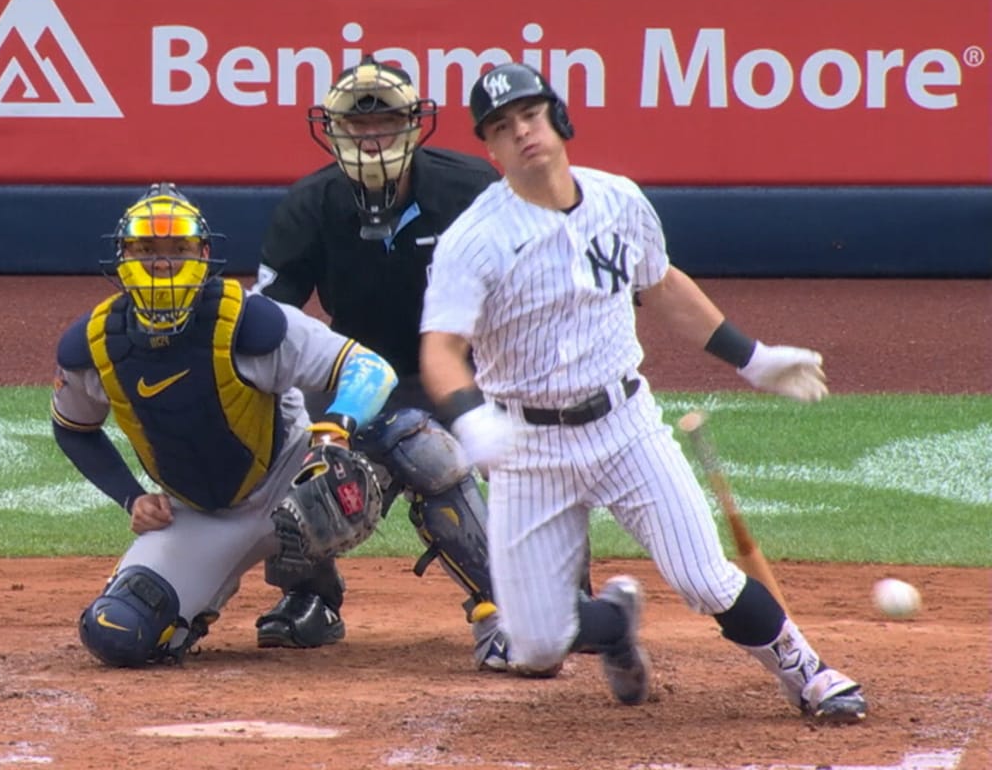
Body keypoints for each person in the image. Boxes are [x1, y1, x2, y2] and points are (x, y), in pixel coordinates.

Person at [419, 61, 868, 722]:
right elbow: (441, 350)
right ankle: (614, 626)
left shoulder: (619, 201)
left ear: (557, 118)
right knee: (535, 643)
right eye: (502, 127)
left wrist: (752, 358)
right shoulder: (475, 241)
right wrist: (469, 419)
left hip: (624, 425)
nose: (522, 133)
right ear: (491, 148)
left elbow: (660, 285)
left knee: (703, 577)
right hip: (527, 447)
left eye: (530, 116)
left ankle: (806, 670)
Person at [251, 54, 537, 672]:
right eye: (357, 126)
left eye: (387, 122)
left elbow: (534, 282)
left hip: (469, 371)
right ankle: (311, 598)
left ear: (416, 125)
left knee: (497, 456)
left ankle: (536, 595)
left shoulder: (473, 191)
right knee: (297, 461)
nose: (372, 137)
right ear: (331, 130)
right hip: (358, 379)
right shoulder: (309, 206)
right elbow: (269, 324)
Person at [52, 183, 398, 667]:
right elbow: (73, 428)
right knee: (116, 633)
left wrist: (334, 430)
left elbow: (370, 370)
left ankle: (495, 612)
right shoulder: (92, 345)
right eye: (146, 250)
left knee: (413, 440)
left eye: (178, 249)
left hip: (290, 482)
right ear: (122, 257)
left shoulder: (252, 321)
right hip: (198, 512)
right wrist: (131, 497)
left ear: (204, 254)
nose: (162, 263)